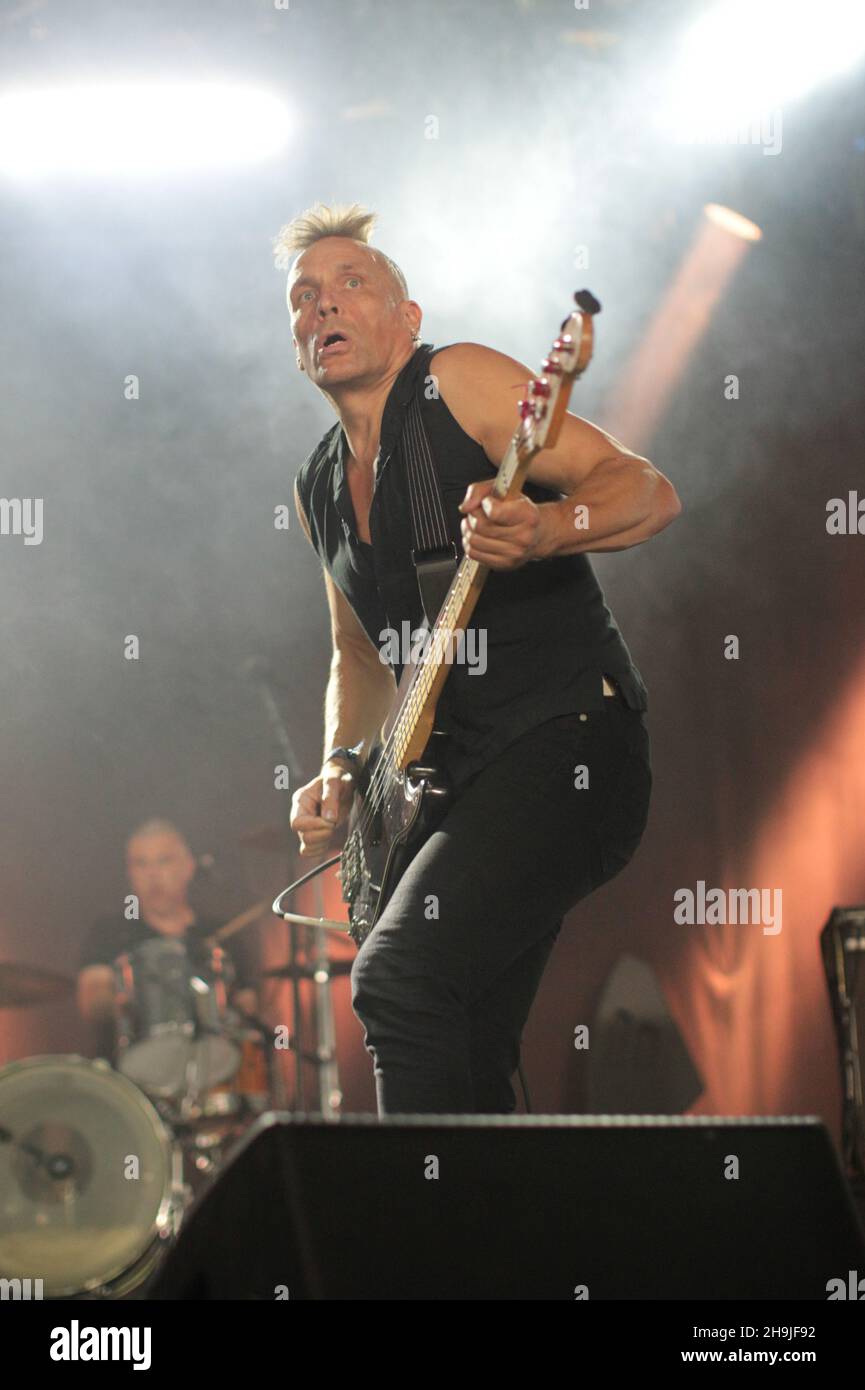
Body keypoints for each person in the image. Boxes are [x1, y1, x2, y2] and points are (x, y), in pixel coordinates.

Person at [279, 202, 681, 1116]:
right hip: (450, 783)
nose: (323, 308)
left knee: (395, 982)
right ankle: (500, 1250)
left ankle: (416, 1250)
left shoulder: (455, 379)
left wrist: (544, 527)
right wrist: (341, 766)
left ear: (406, 318)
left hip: (568, 743)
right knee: (460, 1048)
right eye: (304, 299)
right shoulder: (314, 488)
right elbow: (358, 654)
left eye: (351, 284)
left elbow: (647, 490)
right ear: (295, 341)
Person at [77, 819, 257, 1061]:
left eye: (163, 861)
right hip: (130, 1076)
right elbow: (92, 1000)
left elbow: (249, 1005)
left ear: (189, 867)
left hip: (213, 1072)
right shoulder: (111, 933)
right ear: (129, 873)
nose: (153, 875)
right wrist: (129, 999)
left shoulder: (222, 935)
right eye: (141, 864)